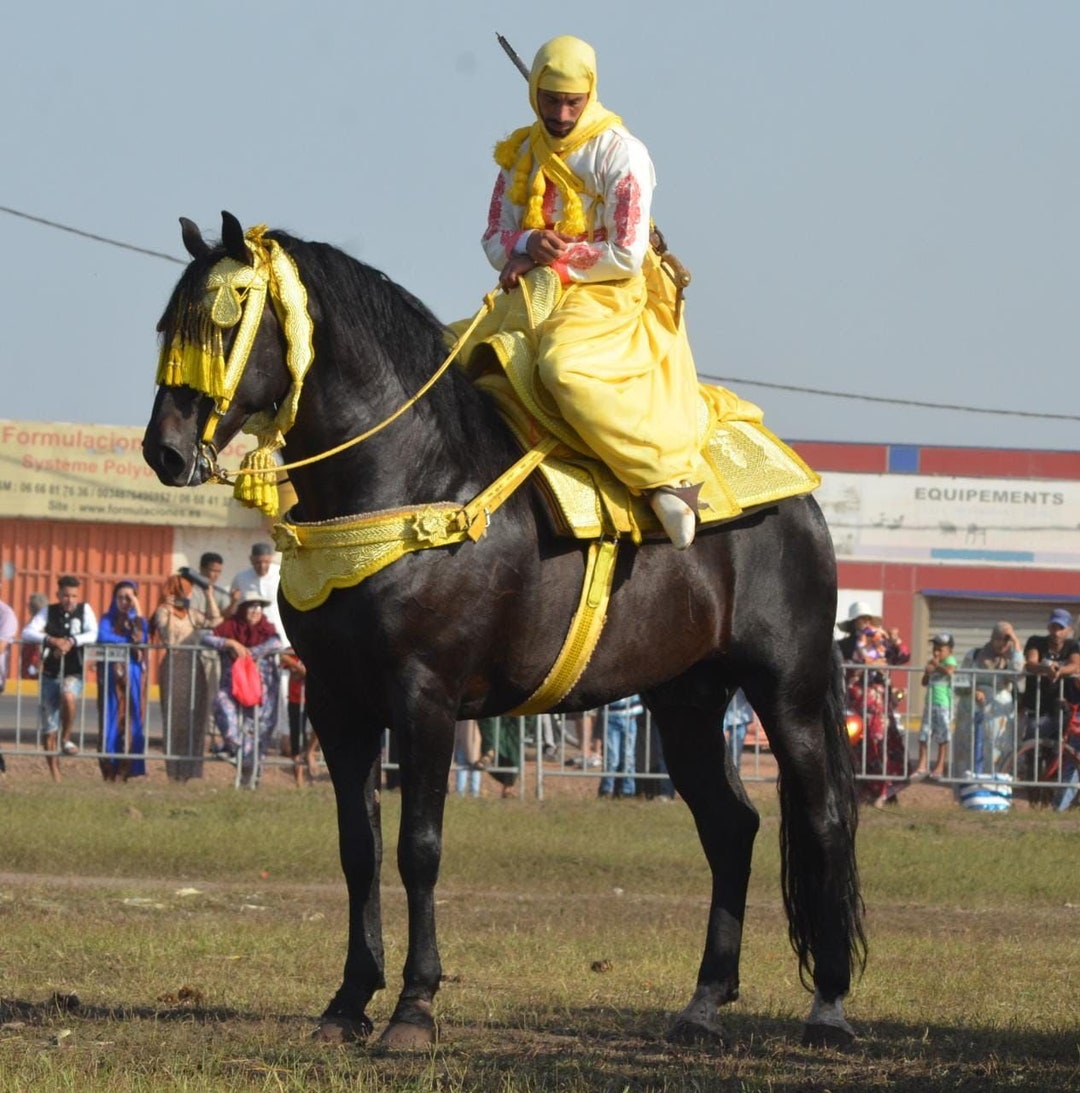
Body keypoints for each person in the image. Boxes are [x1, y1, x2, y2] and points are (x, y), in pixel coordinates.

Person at [455, 35, 704, 548]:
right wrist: (526, 241)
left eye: (573, 101)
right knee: (446, 355)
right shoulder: (520, 151)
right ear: (534, 92)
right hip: (533, 290)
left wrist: (549, 258)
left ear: (591, 93)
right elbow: (493, 236)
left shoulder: (622, 153)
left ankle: (662, 477)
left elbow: (626, 255)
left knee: (563, 369)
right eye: (550, 99)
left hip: (608, 293)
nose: (562, 113)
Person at [22, 576, 99, 781]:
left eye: (73, 595)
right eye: (65, 595)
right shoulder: (48, 611)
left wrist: (72, 641)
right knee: (49, 729)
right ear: (58, 595)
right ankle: (55, 775)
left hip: (73, 671)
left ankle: (66, 738)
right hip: (49, 673)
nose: (70, 599)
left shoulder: (85, 610)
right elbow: (27, 632)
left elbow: (93, 633)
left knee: (68, 695)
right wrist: (51, 639)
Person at [837, 600, 910, 807]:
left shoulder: (880, 642)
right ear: (853, 622)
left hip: (879, 702)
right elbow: (840, 667)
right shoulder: (844, 645)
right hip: (856, 702)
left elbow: (902, 656)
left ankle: (886, 789)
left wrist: (895, 640)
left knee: (882, 742)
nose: (864, 623)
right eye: (861, 619)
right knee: (858, 746)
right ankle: (861, 790)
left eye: (867, 619)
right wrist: (863, 665)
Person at [202, 590, 283, 769]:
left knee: (259, 728)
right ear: (243, 608)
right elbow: (205, 637)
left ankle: (252, 772)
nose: (255, 611)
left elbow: (276, 643)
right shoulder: (230, 626)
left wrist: (250, 653)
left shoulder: (267, 630)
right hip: (233, 686)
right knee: (221, 705)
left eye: (259, 607)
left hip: (262, 690)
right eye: (251, 606)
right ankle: (240, 751)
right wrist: (230, 643)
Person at [151, 572, 219, 781]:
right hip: (174, 666)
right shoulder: (163, 612)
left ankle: (191, 772)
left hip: (194, 668)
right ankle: (174, 772)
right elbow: (167, 633)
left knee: (194, 719)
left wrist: (209, 596)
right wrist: (168, 607)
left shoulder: (192, 614)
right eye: (180, 591)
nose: (184, 595)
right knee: (174, 720)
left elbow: (215, 621)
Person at [97, 580, 149, 782]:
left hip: (134, 675)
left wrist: (137, 610)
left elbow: (141, 638)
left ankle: (127, 769)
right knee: (110, 717)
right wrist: (127, 642)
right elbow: (102, 636)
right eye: (120, 597)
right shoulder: (107, 619)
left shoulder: (139, 621)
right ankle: (109, 768)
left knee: (132, 717)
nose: (124, 601)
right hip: (111, 676)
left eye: (129, 597)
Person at [954, 621, 1024, 774]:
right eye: (999, 638)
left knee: (997, 752)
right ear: (992, 638)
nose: (1003, 643)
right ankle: (969, 790)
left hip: (998, 717)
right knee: (969, 753)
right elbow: (959, 683)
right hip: (971, 713)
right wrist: (973, 691)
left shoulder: (1010, 659)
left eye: (1007, 639)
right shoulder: (975, 655)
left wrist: (1016, 641)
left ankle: (994, 789)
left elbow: (1017, 672)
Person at [184, 551, 231, 753]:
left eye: (218, 572)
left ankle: (211, 738)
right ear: (202, 569)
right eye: (211, 571)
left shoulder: (220, 594)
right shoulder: (187, 590)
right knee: (190, 697)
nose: (214, 575)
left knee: (213, 696)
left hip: (211, 655)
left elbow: (222, 621)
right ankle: (189, 738)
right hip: (188, 652)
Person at [1019, 608, 1080, 744]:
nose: (1056, 633)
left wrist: (1059, 670)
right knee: (1031, 749)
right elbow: (1030, 663)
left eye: (1061, 628)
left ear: (1068, 630)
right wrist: (1046, 669)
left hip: (1062, 709)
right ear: (1048, 627)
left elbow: (1075, 665)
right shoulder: (1035, 641)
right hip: (1037, 709)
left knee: (1063, 750)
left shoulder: (1072, 645)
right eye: (1053, 627)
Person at [912, 633, 957, 781]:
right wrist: (927, 672)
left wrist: (937, 666)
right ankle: (922, 765)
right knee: (924, 735)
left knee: (942, 737)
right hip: (929, 703)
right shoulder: (933, 663)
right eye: (934, 649)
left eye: (940, 650)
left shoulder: (950, 661)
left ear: (949, 650)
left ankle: (940, 766)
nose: (936, 653)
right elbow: (924, 682)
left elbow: (950, 672)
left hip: (943, 704)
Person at [280, 647, 319, 785]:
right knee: (296, 734)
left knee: (320, 726)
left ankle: (310, 751)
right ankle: (299, 774)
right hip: (296, 698)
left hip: (315, 696)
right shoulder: (297, 645)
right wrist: (298, 668)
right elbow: (283, 656)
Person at [597, 694, 641, 798]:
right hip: (611, 716)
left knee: (628, 756)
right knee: (612, 758)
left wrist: (635, 709)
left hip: (629, 715)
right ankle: (607, 789)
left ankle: (628, 790)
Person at [722, 688, 755, 773]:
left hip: (740, 719)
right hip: (723, 716)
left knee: (735, 751)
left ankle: (734, 774)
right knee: (720, 749)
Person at [19, 592, 48, 681]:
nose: (27, 607)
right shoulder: (33, 622)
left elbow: (42, 646)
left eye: (29, 605)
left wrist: (40, 662)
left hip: (34, 662)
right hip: (28, 659)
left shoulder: (40, 625)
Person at [452, 720, 482, 798]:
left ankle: (461, 793)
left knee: (463, 767)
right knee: (473, 767)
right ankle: (473, 793)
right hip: (471, 739)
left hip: (464, 739)